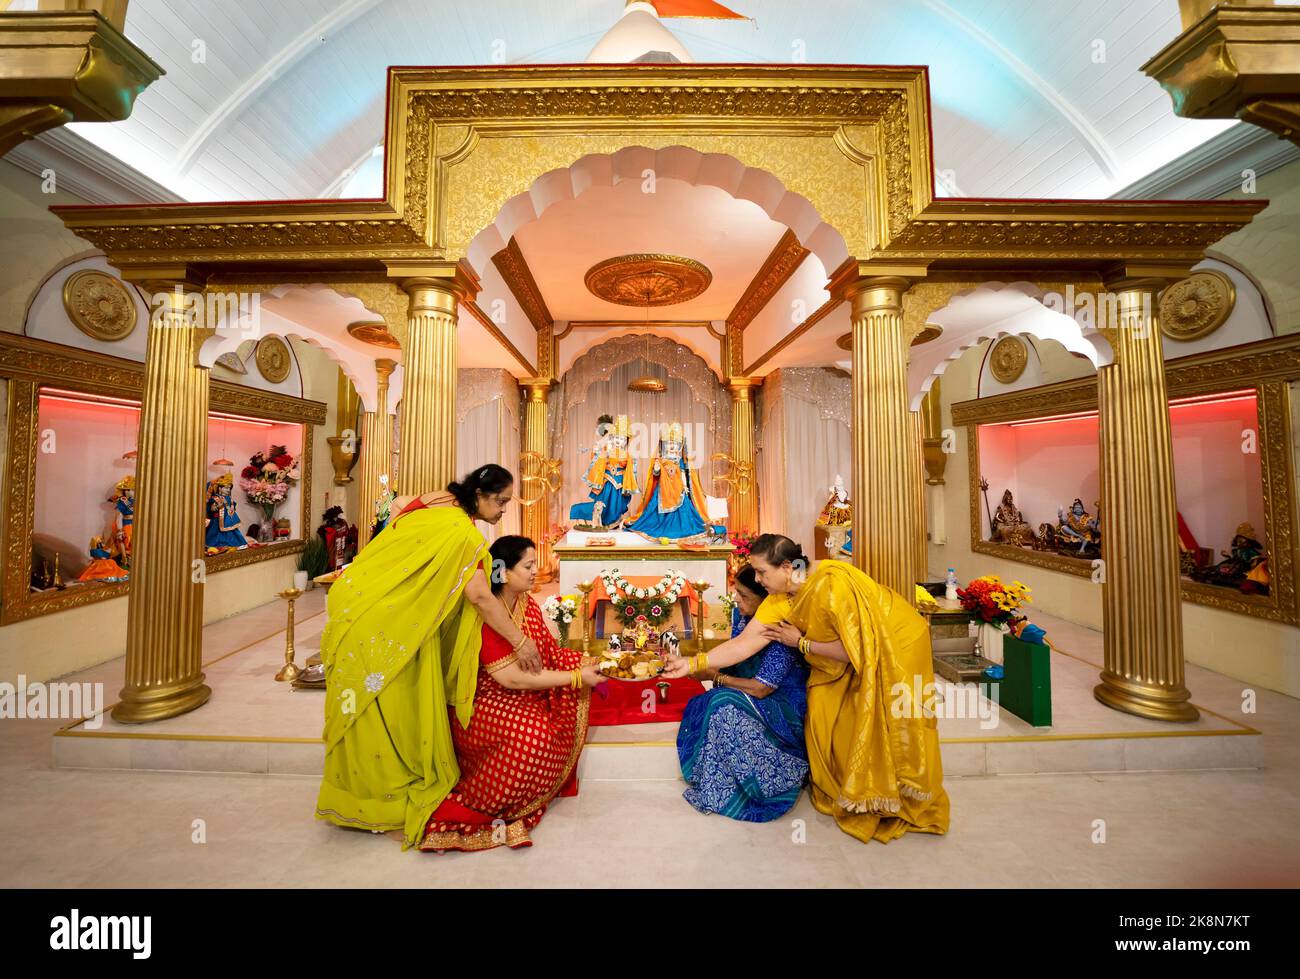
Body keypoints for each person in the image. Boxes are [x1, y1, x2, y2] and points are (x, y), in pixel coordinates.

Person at [315, 464, 550, 849]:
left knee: (361, 712)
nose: (504, 510)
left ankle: (355, 801)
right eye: (502, 501)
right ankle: (386, 808)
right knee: (392, 718)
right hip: (389, 629)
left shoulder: (435, 501)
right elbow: (479, 597)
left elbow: (395, 512)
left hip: (357, 609)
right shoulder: (464, 535)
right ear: (480, 494)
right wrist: (520, 641)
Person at [664, 533, 949, 844]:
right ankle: (858, 788)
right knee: (826, 721)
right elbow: (743, 645)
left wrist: (800, 642)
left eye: (762, 572)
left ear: (787, 566)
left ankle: (895, 793)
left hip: (897, 644)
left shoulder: (830, 585)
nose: (758, 580)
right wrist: (692, 664)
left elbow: (857, 650)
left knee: (894, 723)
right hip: (838, 657)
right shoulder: (778, 598)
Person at [418, 535, 603, 852]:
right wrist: (574, 678)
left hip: (519, 691)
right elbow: (512, 679)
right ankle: (499, 800)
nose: (536, 572)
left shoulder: (526, 604)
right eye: (528, 566)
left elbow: (549, 652)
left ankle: (529, 789)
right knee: (532, 736)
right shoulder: (490, 614)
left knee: (574, 691)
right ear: (502, 572)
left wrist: (590, 663)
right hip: (486, 702)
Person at [676, 563, 808, 822]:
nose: (736, 599)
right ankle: (718, 778)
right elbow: (735, 656)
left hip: (781, 706)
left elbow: (761, 688)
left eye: (744, 595)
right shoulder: (742, 618)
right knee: (705, 701)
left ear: (765, 602)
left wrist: (716, 676)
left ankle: (765, 781)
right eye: (736, 591)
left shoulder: (777, 628)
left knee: (722, 703)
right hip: (753, 695)